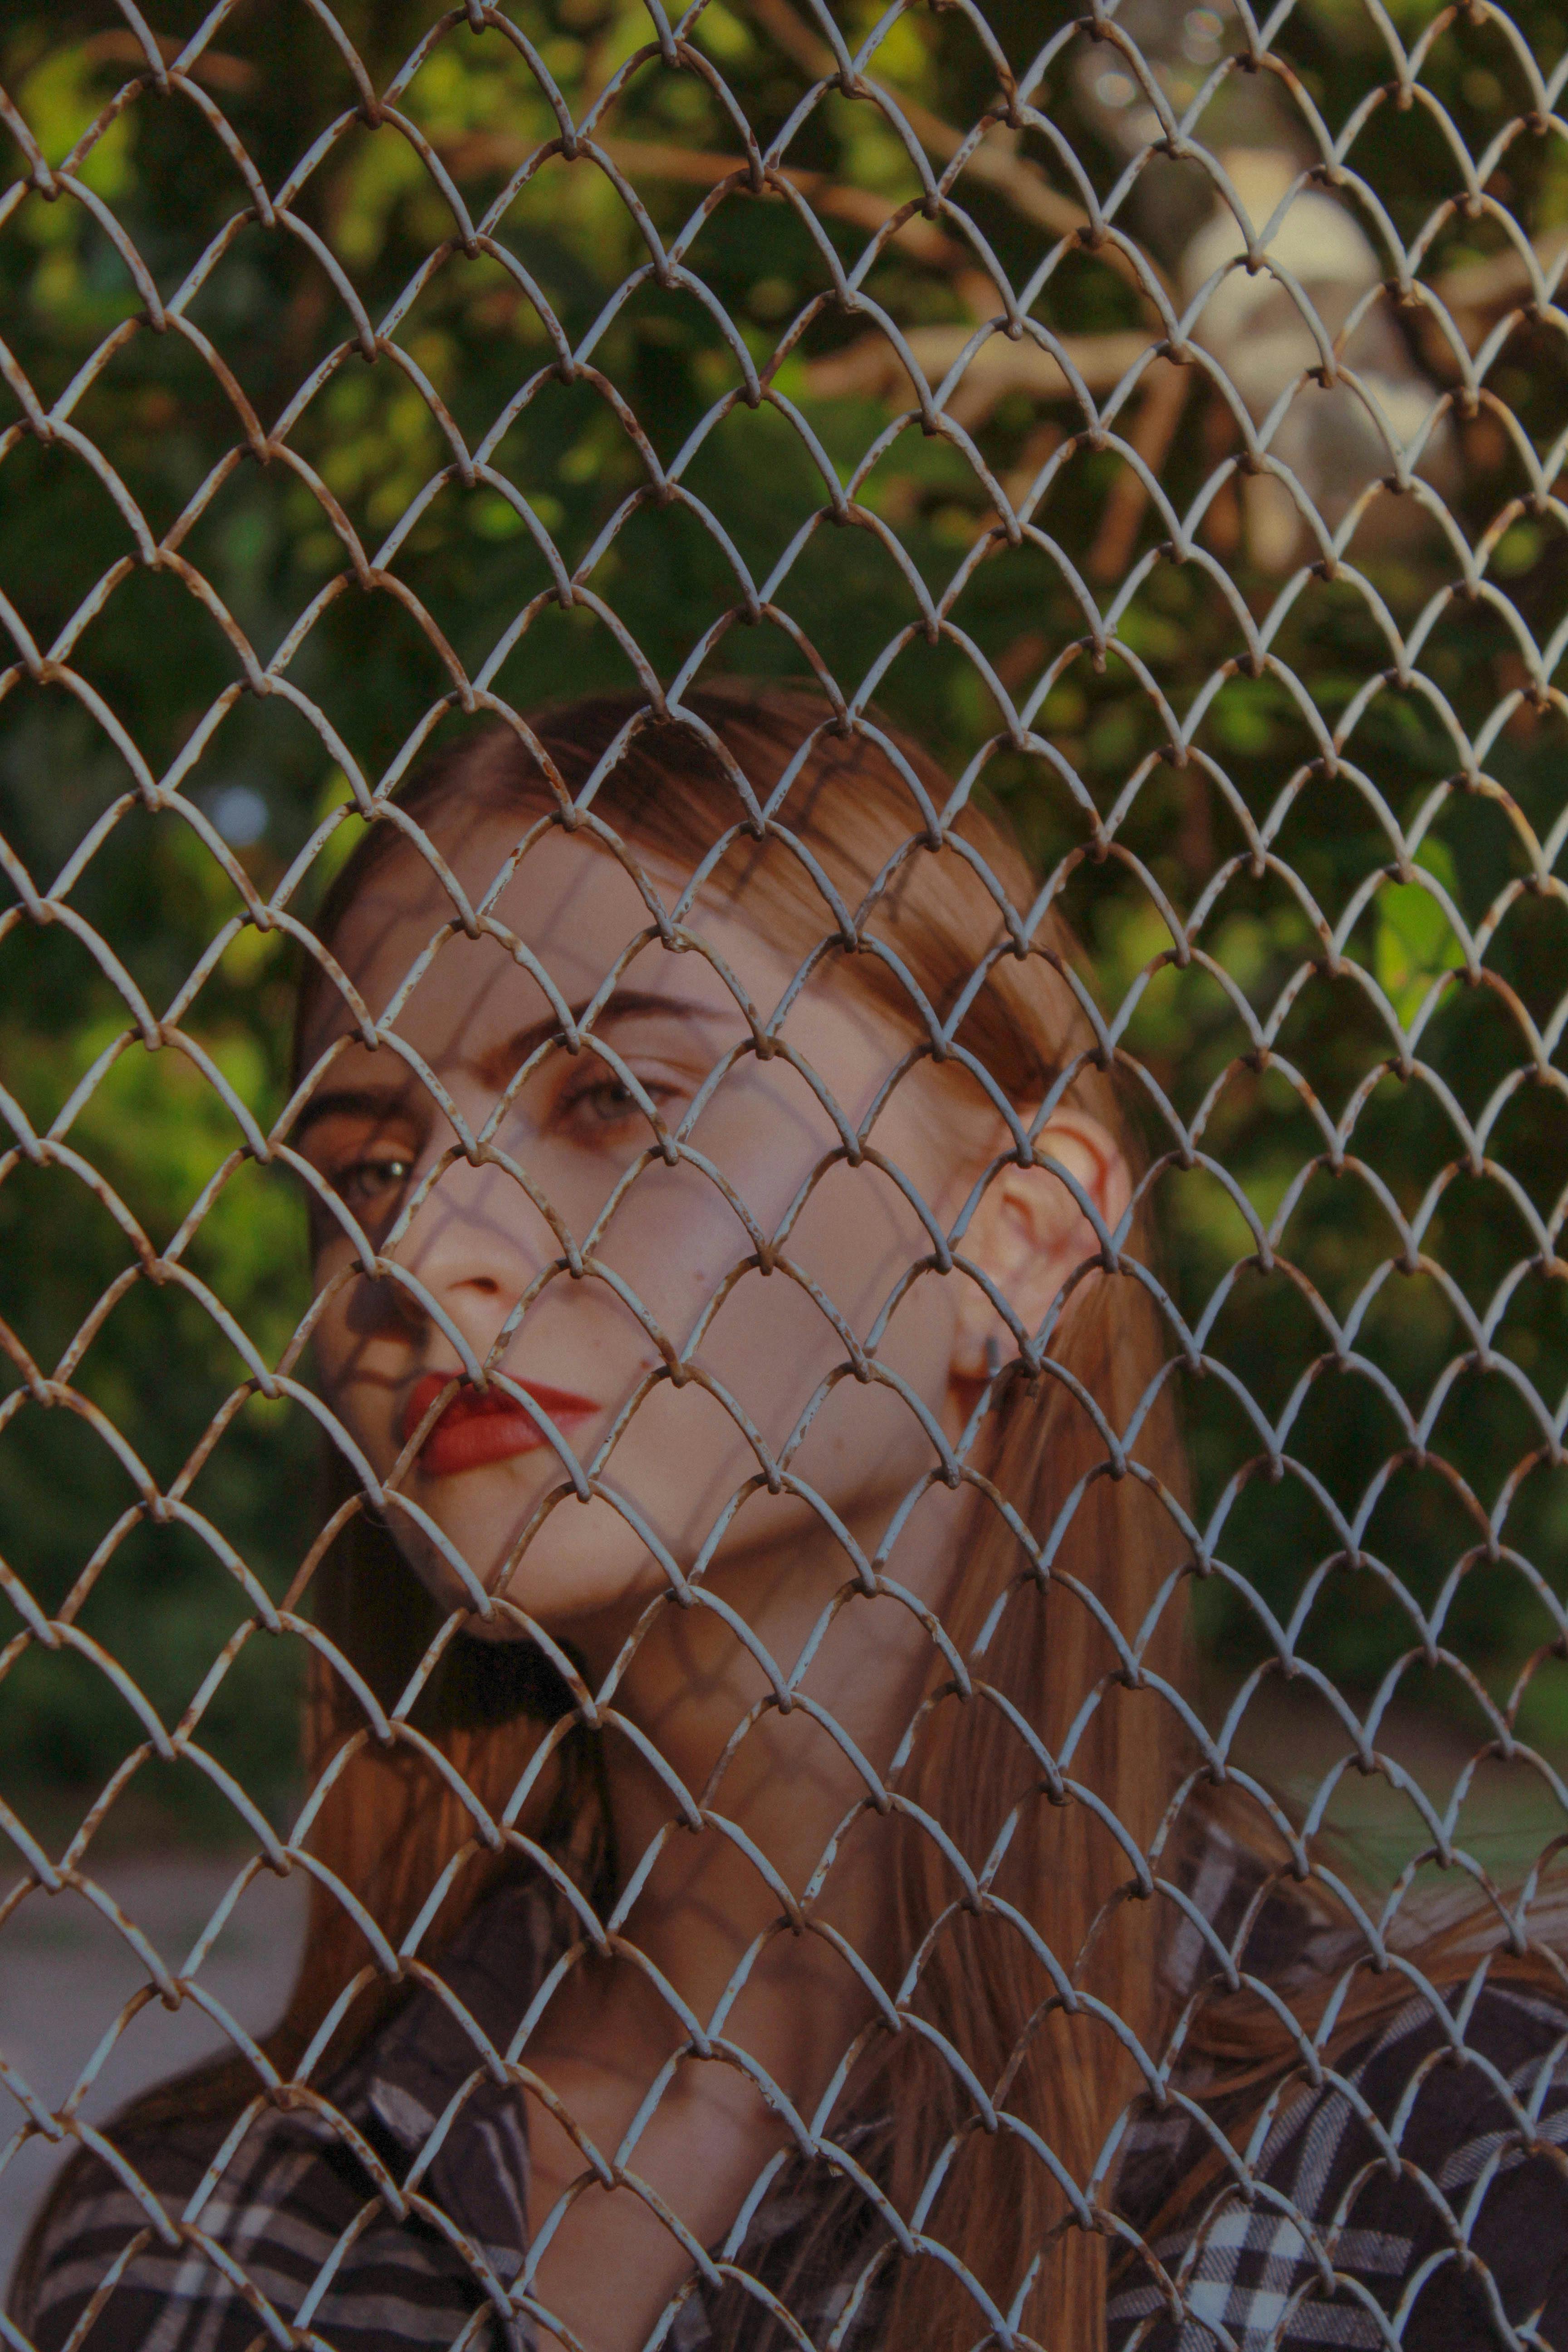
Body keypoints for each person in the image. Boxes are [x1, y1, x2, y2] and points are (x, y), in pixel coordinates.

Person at [12, 687, 1568, 2352]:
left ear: (1019, 1239)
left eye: (611, 1095)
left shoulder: (1435, 2184)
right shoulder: (189, 2239)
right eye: (365, 1168)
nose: (422, 1248)